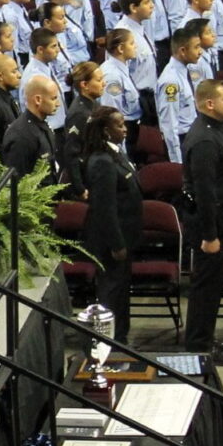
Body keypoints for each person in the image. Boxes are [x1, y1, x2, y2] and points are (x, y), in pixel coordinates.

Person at [180, 79, 223, 366]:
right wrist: (210, 235)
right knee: (205, 286)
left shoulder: (216, 130)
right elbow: (204, 191)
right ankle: (198, 346)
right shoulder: (205, 139)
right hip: (211, 220)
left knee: (213, 285)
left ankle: (205, 339)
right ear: (210, 104)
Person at [78, 106, 140, 343]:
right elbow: (105, 207)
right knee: (112, 291)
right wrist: (117, 243)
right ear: (105, 130)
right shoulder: (102, 161)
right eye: (119, 125)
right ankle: (110, 341)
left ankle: (120, 338)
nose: (125, 129)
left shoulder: (114, 153)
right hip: (111, 240)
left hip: (125, 233)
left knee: (120, 290)